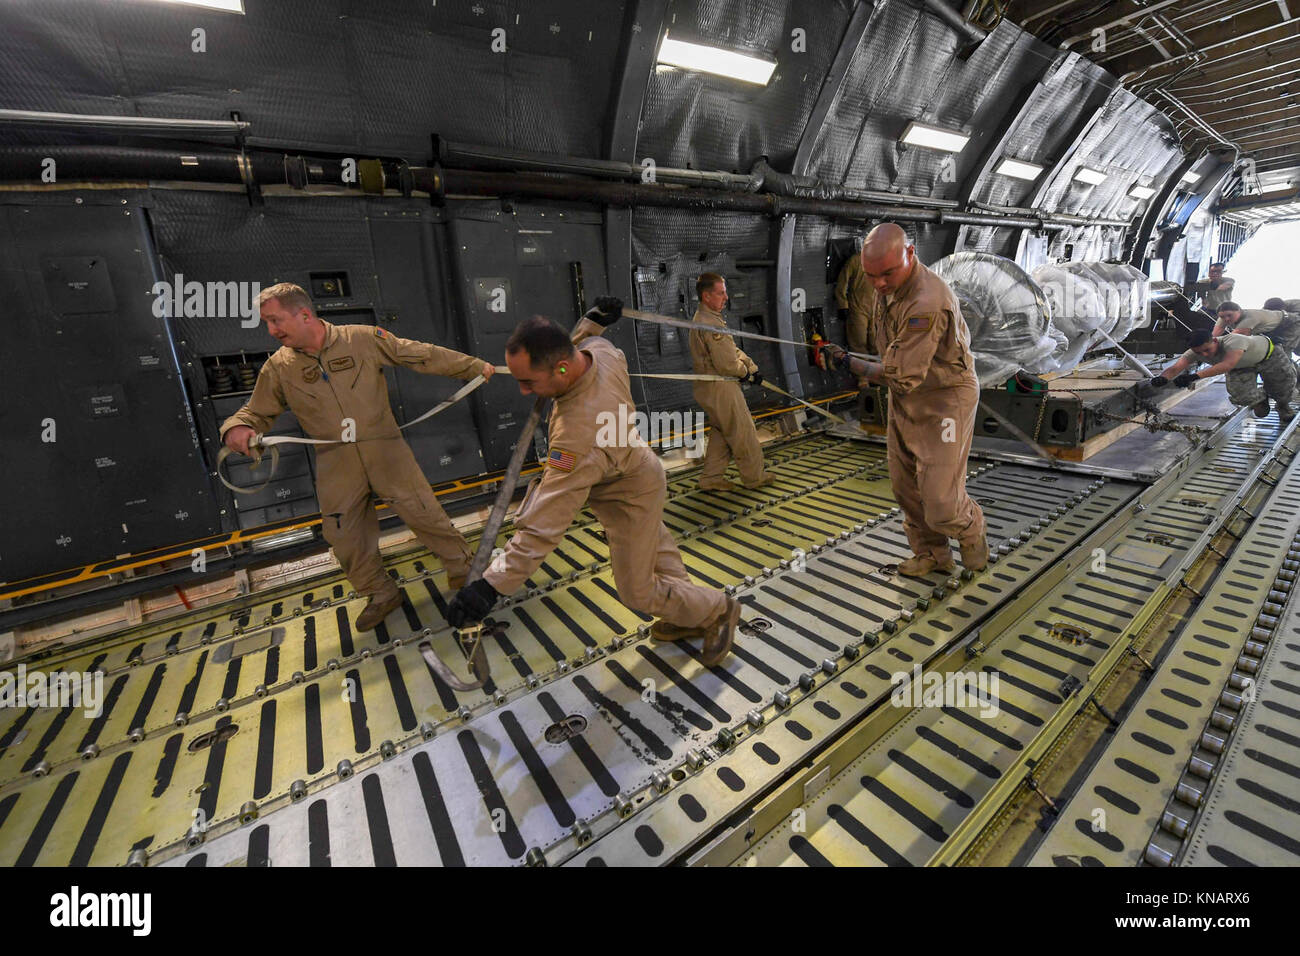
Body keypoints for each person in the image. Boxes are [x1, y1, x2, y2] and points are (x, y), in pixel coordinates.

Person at [446, 301, 739, 667]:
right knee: (659, 555)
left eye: (528, 382)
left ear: (563, 368)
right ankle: (686, 616)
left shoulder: (578, 436)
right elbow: (584, 342)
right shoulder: (600, 353)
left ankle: (717, 610)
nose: (523, 392)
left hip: (625, 494)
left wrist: (489, 587)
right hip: (638, 469)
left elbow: (543, 527)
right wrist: (592, 322)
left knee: (637, 590)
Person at [221, 283, 495, 631]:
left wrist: (472, 366)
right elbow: (255, 411)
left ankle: (465, 575)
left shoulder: (362, 339)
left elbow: (420, 353)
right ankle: (381, 594)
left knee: (426, 514)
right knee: (343, 535)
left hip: (386, 451)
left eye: (275, 320)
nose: (272, 331)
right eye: (267, 323)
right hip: (335, 461)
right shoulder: (279, 368)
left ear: (304, 314)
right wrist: (236, 427)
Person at [818, 224, 988, 578]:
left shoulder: (926, 303)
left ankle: (971, 531)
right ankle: (932, 553)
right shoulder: (887, 286)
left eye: (887, 274)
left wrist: (846, 360)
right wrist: (850, 354)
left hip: (945, 400)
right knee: (906, 486)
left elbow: (901, 372)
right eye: (871, 276)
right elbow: (897, 365)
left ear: (910, 254)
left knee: (940, 499)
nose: (878, 284)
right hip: (906, 397)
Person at [689, 273, 774, 492]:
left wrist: (751, 367)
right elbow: (727, 364)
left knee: (721, 432)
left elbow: (731, 350)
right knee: (742, 430)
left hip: (709, 388)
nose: (726, 297)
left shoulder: (708, 319)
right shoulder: (710, 323)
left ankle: (711, 478)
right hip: (721, 387)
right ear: (707, 296)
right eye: (721, 293)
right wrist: (745, 373)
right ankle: (755, 477)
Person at [1150, 328, 1296, 421]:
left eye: (1206, 350)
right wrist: (1163, 378)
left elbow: (1227, 365)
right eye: (1199, 352)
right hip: (1241, 366)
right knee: (1240, 396)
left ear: (1214, 340)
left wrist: (1194, 376)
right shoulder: (1194, 352)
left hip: (1268, 356)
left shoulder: (1233, 341)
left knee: (1283, 386)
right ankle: (1261, 398)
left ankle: (1283, 406)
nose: (1204, 354)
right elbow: (1176, 367)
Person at [834, 247, 876, 388]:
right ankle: (863, 379)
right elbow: (842, 283)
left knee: (876, 344)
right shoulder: (856, 261)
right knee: (859, 344)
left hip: (876, 309)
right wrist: (843, 305)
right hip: (858, 309)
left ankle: (877, 376)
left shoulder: (881, 262)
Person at [1214, 301, 1300, 354]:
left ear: (1239, 311)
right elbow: (1214, 337)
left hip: (1291, 323)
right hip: (1271, 327)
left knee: (1282, 352)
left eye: (1229, 315)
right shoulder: (1222, 317)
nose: (1226, 319)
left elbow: (1231, 339)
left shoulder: (1249, 319)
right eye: (1223, 317)